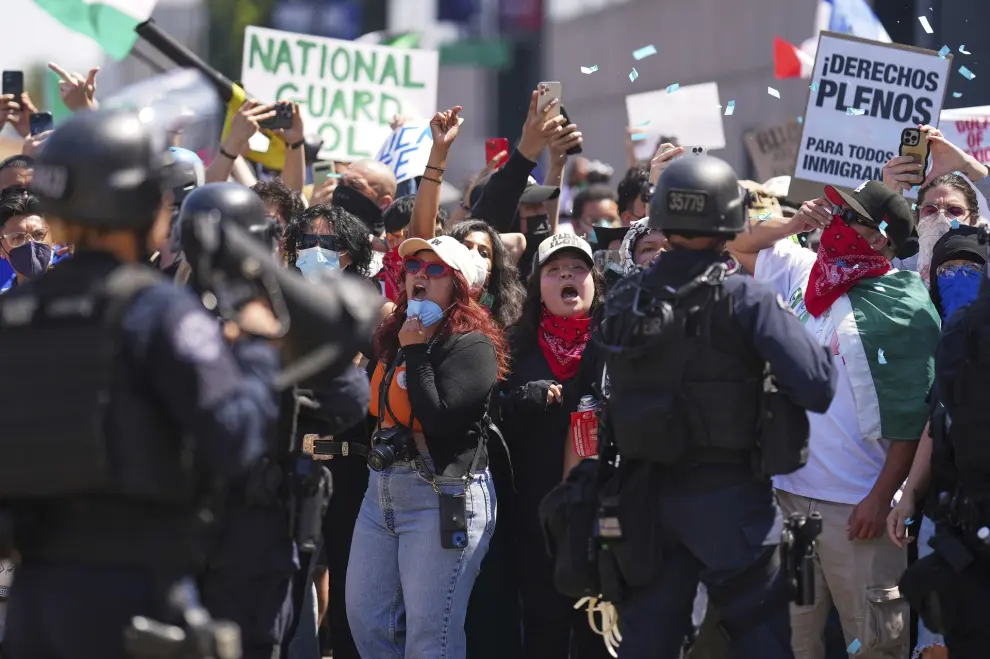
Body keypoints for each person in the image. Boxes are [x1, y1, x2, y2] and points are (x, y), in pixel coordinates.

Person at [0, 107, 281, 659]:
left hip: (34, 601)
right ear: (147, 205)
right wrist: (256, 350)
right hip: (133, 598)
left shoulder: (15, 315)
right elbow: (235, 437)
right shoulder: (157, 312)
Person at [597, 155, 836, 657]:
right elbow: (817, 385)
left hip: (644, 499)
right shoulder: (746, 299)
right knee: (762, 641)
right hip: (731, 501)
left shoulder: (624, 299)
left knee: (648, 644)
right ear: (730, 220)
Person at [345, 235, 506, 658]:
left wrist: (416, 353)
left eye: (435, 270)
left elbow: (437, 417)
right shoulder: (394, 335)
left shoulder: (473, 346)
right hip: (381, 493)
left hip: (442, 496)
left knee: (428, 637)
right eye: (414, 268)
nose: (420, 275)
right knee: (369, 621)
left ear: (458, 286)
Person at [500, 232, 611, 659]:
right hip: (536, 516)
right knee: (544, 626)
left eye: (578, 268)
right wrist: (520, 402)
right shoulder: (514, 347)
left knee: (597, 630)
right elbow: (488, 422)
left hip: (602, 517)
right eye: (554, 270)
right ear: (537, 286)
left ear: (594, 283)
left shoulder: (616, 342)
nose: (567, 275)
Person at [283, 204, 374, 281]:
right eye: (306, 240)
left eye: (330, 243)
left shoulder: (364, 298)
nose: (316, 251)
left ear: (350, 256)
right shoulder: (277, 292)